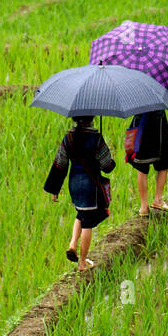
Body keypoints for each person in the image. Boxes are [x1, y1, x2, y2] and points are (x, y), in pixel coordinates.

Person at [44, 115, 115, 272]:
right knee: (88, 222)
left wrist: (54, 189)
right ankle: (82, 262)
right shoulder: (96, 138)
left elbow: (60, 163)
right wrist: (109, 158)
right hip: (90, 184)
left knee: (81, 214)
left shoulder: (68, 137)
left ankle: (72, 244)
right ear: (92, 118)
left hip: (74, 184)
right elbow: (107, 165)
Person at [125, 109, 168, 217]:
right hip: (158, 124)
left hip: (140, 124)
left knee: (142, 168)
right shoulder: (158, 92)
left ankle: (143, 206)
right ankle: (158, 199)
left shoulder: (133, 93)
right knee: (164, 162)